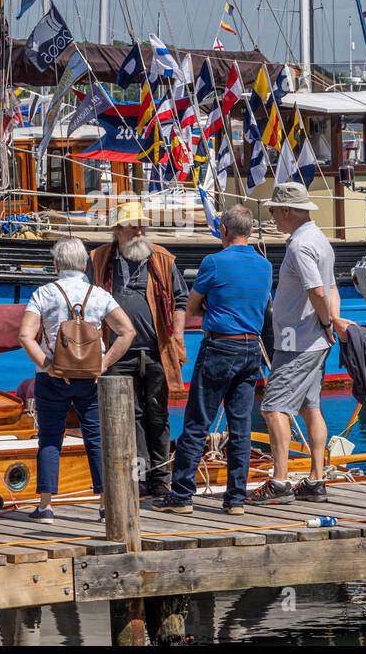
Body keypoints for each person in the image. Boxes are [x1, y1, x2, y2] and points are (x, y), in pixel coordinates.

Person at [153, 204, 271, 515]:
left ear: (224, 231)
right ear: (250, 232)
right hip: (250, 349)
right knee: (241, 426)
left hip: (220, 346)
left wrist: (213, 310)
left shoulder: (213, 262)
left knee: (197, 422)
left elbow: (191, 307)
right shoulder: (264, 266)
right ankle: (235, 499)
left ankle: (182, 495)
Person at [20, 237, 135, 522]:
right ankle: (104, 504)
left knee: (49, 438)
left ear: (56, 264)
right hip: (90, 379)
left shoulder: (44, 293)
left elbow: (25, 335)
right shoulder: (98, 294)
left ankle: (45, 505)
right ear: (84, 264)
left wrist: (48, 366)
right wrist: (102, 365)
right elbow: (127, 332)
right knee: (96, 439)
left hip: (53, 379)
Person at [248, 182, 340, 505]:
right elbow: (331, 289)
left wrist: (326, 323)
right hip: (314, 341)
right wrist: (329, 328)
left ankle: (280, 481)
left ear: (287, 210)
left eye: (274, 211)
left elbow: (317, 290)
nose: (272, 217)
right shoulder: (321, 240)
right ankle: (316, 479)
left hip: (295, 343)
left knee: (273, 408)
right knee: (310, 407)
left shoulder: (299, 246)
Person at [87, 200, 187, 498]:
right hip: (118, 353)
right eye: (133, 225)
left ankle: (161, 477)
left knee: (158, 415)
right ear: (118, 230)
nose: (140, 230)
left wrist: (178, 337)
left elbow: (180, 301)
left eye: (142, 225)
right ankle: (140, 480)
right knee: (130, 417)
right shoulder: (99, 259)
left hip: (157, 351)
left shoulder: (162, 259)